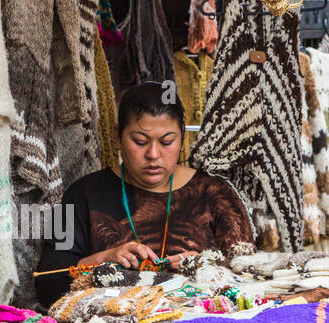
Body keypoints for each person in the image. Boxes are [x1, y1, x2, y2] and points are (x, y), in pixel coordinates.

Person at [34, 82, 255, 306]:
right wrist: (103, 259)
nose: (153, 154)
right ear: (118, 138)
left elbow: (252, 276)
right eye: (140, 141)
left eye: (167, 141)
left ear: (181, 139)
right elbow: (47, 284)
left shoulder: (216, 194)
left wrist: (206, 265)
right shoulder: (82, 194)